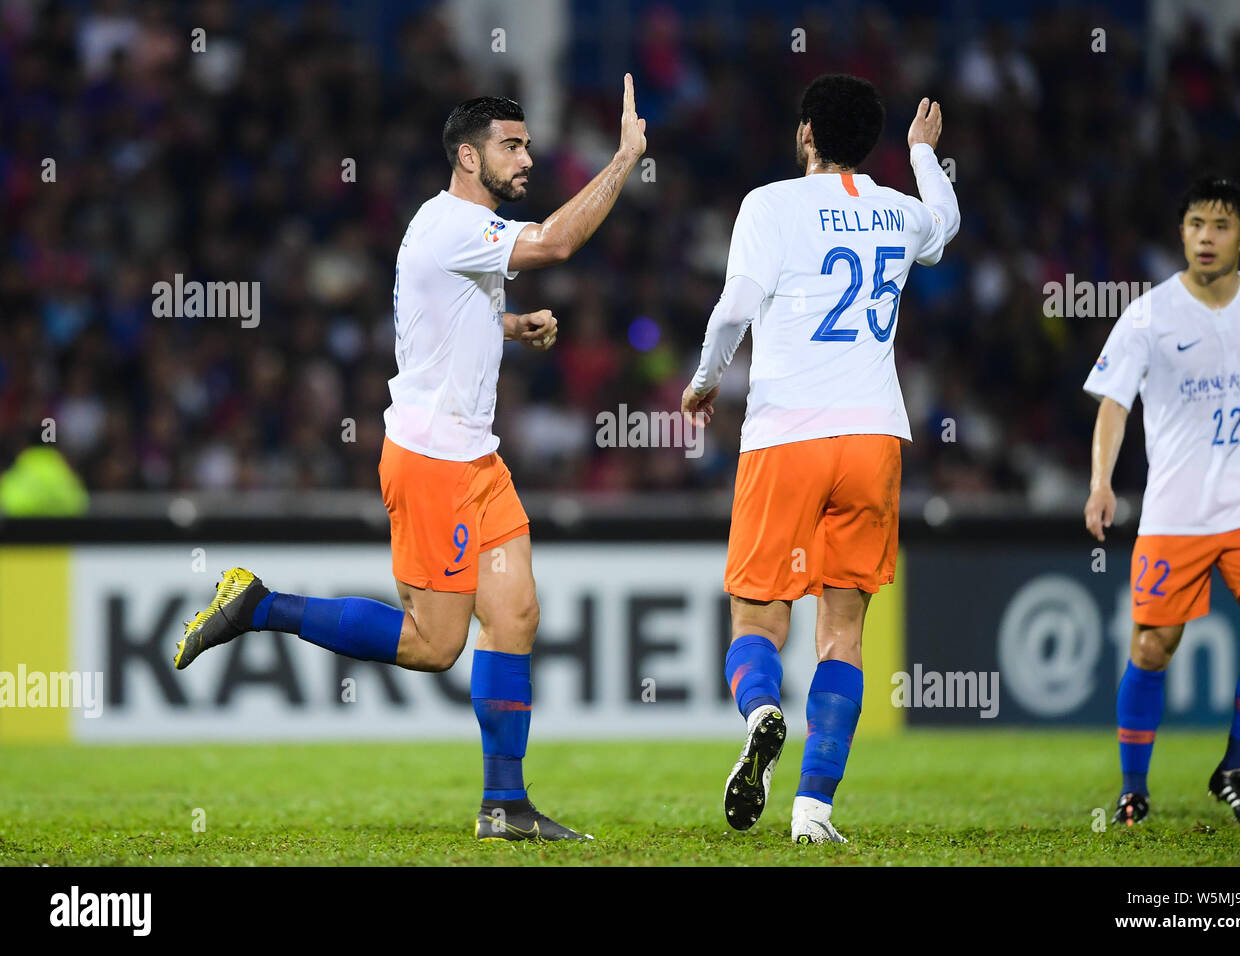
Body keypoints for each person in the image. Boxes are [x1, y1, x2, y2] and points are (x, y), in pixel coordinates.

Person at [174, 76, 648, 842]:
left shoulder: (463, 227)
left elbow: (447, 316)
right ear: (469, 156)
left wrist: (509, 325)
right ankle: (260, 605)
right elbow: (557, 241)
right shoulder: (452, 225)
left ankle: (505, 806)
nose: (527, 157)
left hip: (477, 459)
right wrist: (626, 157)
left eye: (527, 143)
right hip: (431, 461)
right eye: (512, 146)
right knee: (434, 645)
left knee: (517, 614)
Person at [681, 74, 959, 843]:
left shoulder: (769, 205)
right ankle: (813, 812)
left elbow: (736, 305)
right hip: (872, 436)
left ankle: (763, 711)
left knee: (756, 614)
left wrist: (704, 381)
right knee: (843, 633)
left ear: (806, 133)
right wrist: (924, 154)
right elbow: (946, 220)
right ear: (868, 142)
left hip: (786, 435)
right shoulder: (899, 212)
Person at [1084, 175, 1240, 828]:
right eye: (1196, 225)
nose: (1206, 237)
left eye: (1221, 226)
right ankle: (1132, 788)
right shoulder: (1148, 315)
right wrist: (1100, 483)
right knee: (1152, 648)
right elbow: (1114, 407)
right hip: (1174, 513)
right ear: (1182, 233)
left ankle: (1235, 768)